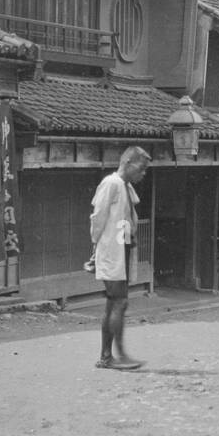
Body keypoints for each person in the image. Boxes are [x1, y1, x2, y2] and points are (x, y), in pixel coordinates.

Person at [90, 146, 151, 370]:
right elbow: (98, 217)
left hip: (121, 249)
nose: (143, 174)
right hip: (111, 250)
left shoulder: (126, 187)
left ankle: (107, 356)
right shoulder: (112, 183)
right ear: (127, 163)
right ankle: (118, 355)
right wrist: (96, 246)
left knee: (114, 303)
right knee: (119, 302)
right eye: (141, 169)